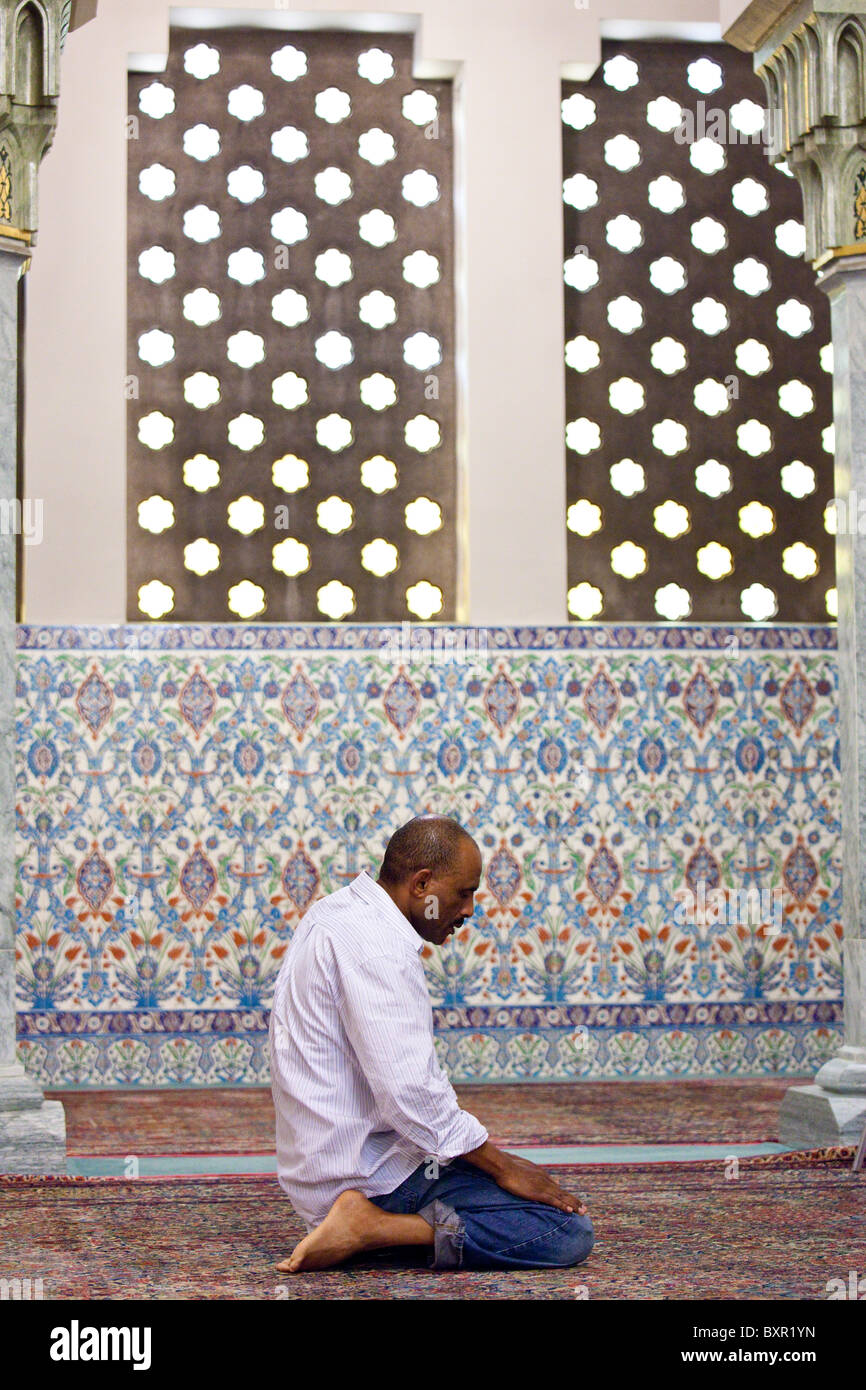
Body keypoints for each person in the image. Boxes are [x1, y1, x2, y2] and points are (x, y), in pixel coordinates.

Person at [269, 814, 594, 1272]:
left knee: (496, 1177)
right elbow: (410, 1093)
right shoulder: (378, 949)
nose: (470, 910)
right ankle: (371, 1227)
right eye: (464, 892)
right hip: (372, 1180)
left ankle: (372, 1226)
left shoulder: (336, 913)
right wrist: (500, 1166)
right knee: (564, 1231)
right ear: (422, 884)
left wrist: (484, 1160)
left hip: (335, 1166)